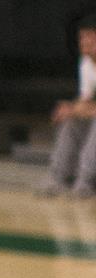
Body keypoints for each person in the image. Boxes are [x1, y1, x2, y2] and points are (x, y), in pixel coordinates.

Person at [44, 17, 96, 198]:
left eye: (91, 37)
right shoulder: (86, 64)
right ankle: (58, 178)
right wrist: (70, 109)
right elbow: (85, 101)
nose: (85, 42)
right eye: (82, 38)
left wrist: (75, 109)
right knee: (71, 119)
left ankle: (85, 181)